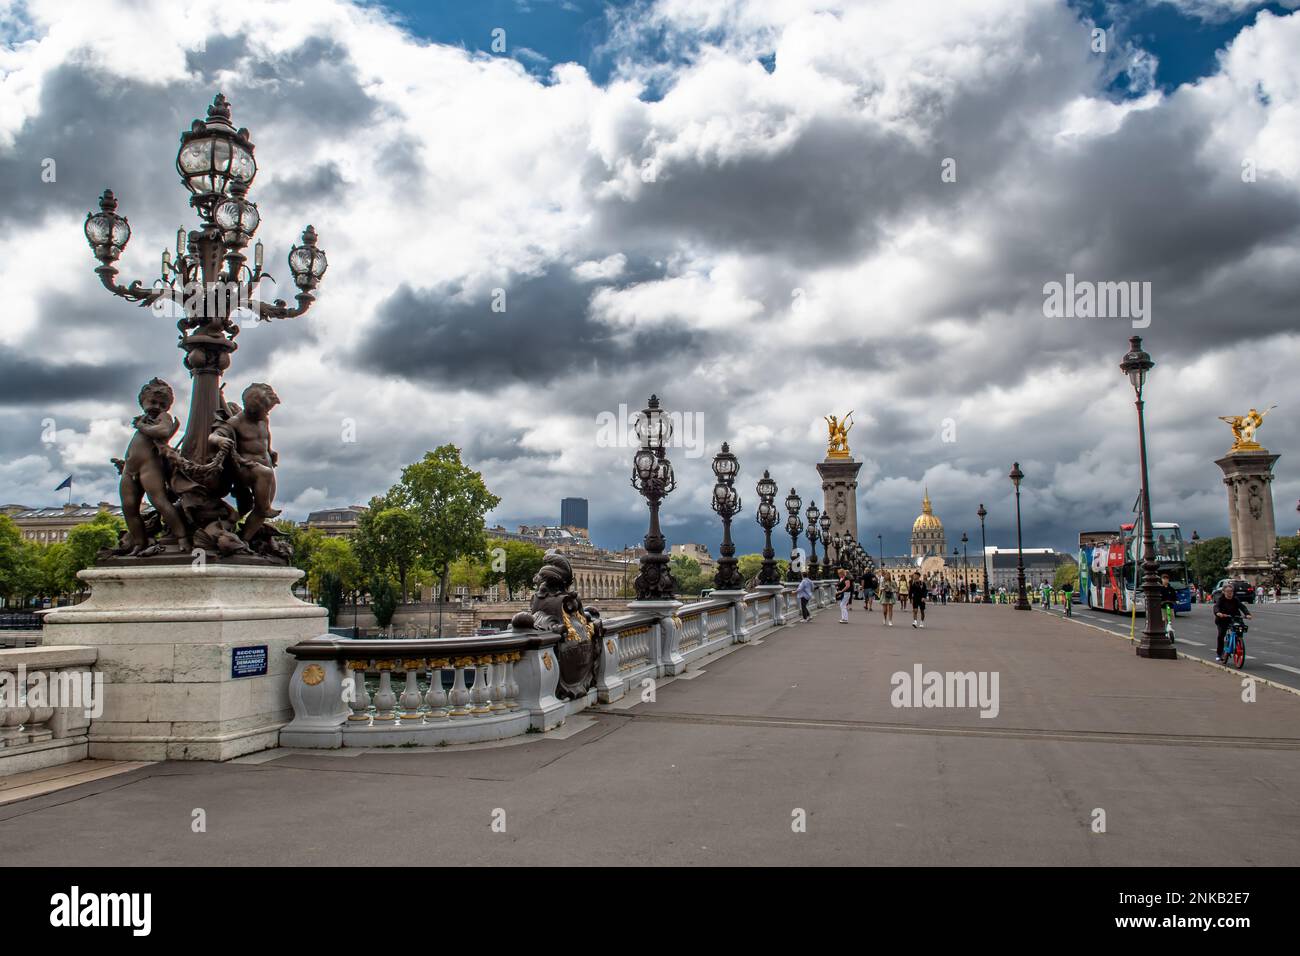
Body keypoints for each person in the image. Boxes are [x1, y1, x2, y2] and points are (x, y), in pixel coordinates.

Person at [1213, 582, 1252, 663]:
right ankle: (1219, 653)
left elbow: (1242, 607)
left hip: (1235, 618)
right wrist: (1218, 613)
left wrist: (1247, 614)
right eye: (1227, 591)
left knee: (1240, 628)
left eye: (1231, 591)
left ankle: (1238, 641)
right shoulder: (1221, 599)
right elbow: (1216, 607)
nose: (1230, 593)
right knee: (1221, 635)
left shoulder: (1235, 599)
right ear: (1223, 592)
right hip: (1222, 619)